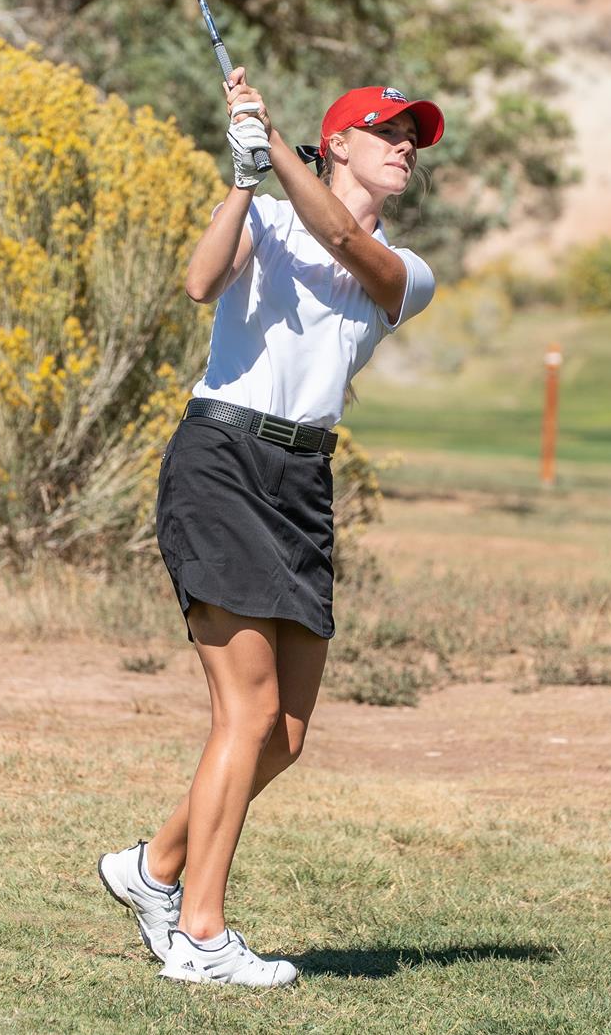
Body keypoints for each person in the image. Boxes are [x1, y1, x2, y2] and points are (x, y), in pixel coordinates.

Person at [96, 68, 443, 987]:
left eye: (412, 136)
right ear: (340, 147)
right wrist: (244, 180)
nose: (405, 146)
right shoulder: (270, 214)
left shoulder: (410, 272)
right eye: (386, 132)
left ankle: (153, 869)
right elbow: (201, 282)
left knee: (284, 732)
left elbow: (340, 233)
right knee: (244, 714)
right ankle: (201, 938)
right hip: (221, 458)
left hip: (303, 480)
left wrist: (272, 145)